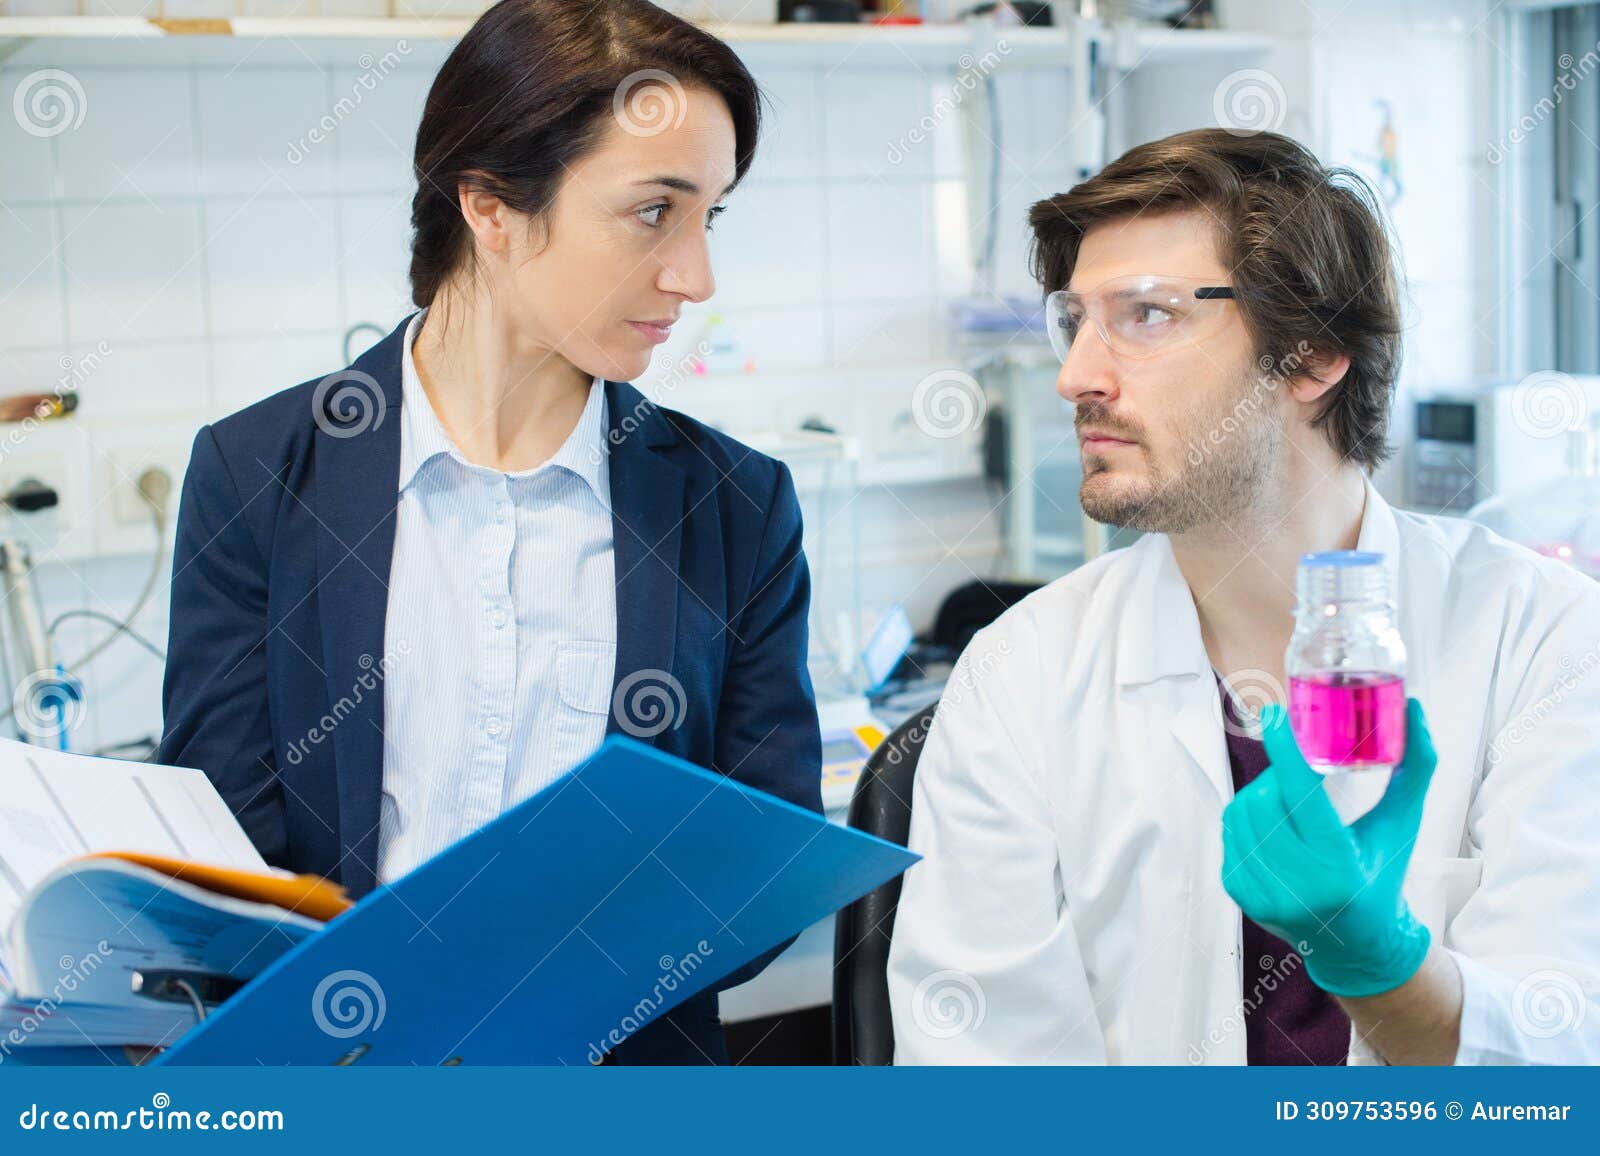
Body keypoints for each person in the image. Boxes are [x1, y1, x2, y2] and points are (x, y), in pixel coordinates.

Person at [159, 0, 821, 1065]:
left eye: (712, 218)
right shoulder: (257, 476)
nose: (696, 276)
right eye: (655, 211)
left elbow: (757, 865)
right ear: (491, 206)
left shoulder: (735, 508)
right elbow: (225, 858)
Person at [887, 128, 1600, 1065]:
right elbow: (981, 1085)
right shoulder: (1019, 677)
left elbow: (1558, 1066)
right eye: (1075, 321)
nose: (1076, 377)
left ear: (1312, 353)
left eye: (1146, 315)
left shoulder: (1546, 642)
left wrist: (1377, 970)